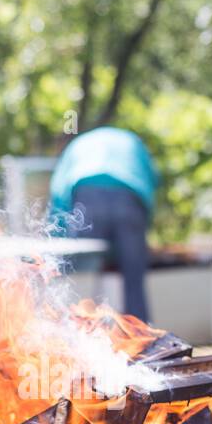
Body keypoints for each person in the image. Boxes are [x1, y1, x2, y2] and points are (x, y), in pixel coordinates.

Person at [49, 127, 158, 321]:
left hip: (86, 198)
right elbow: (153, 180)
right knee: (134, 280)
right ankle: (143, 337)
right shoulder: (132, 140)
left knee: (82, 278)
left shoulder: (78, 144)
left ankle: (80, 335)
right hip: (130, 199)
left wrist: (58, 239)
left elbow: (59, 192)